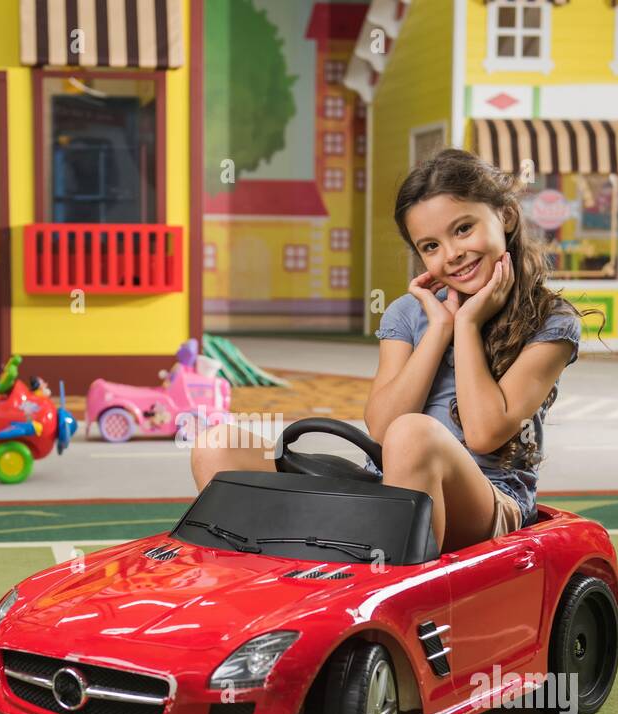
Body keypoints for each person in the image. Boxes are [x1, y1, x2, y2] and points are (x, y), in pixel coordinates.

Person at [191, 148, 588, 553]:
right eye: (431, 246)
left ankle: (407, 586)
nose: (452, 254)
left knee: (413, 434)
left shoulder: (551, 321)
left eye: (464, 229)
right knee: (216, 445)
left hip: (488, 502)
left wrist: (467, 325)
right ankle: (266, 577)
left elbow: (484, 433)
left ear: (504, 215)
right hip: (388, 489)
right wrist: (440, 327)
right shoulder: (409, 314)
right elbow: (381, 427)